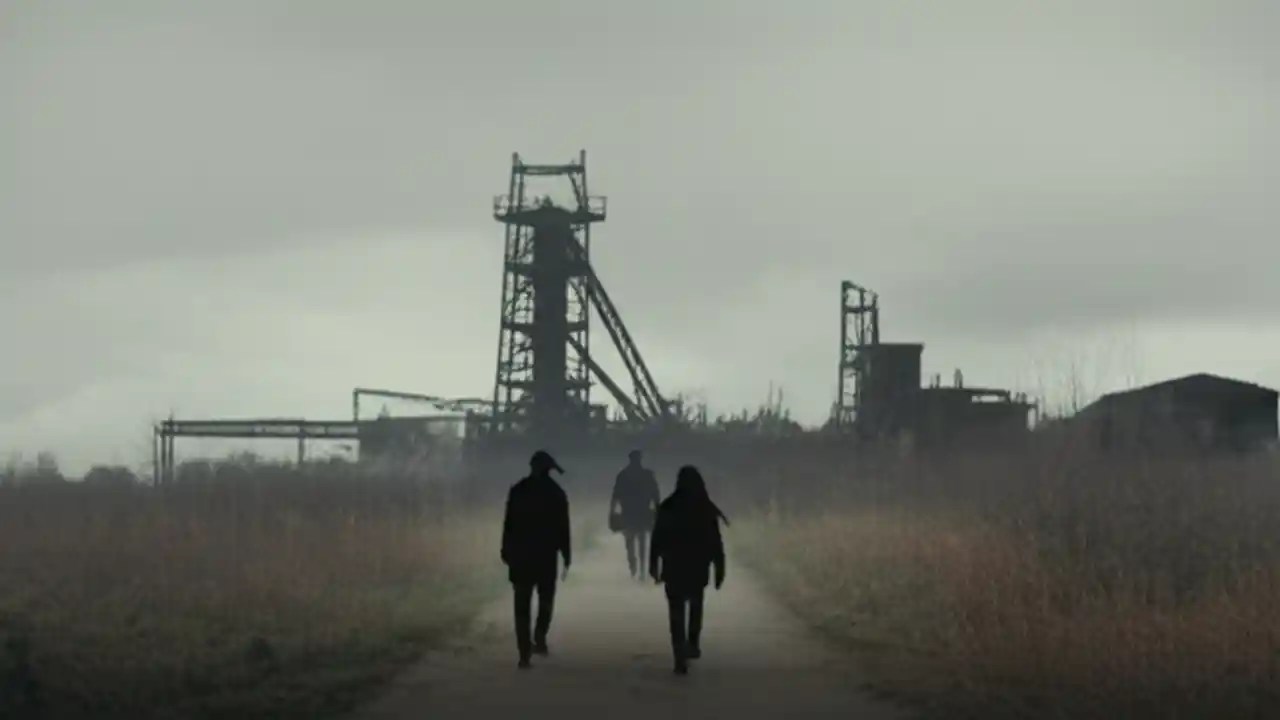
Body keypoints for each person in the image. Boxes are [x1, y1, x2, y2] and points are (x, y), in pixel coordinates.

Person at [648, 465, 727, 675]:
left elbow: (657, 540)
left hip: (674, 567)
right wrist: (720, 569)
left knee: (675, 612)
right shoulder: (706, 508)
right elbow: (716, 544)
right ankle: (692, 642)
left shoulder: (668, 506)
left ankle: (679, 654)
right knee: (695, 605)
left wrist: (653, 564)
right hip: (697, 568)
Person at [501, 450, 572, 669]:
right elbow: (563, 528)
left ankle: (524, 652)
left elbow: (509, 525)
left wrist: (506, 550)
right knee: (545, 600)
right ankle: (539, 636)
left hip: (521, 556)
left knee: (521, 605)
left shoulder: (518, 490)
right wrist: (566, 553)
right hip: (545, 557)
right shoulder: (556, 493)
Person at [609, 450, 661, 579]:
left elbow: (615, 496)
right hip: (640, 512)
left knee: (632, 541)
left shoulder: (623, 475)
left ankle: (636, 568)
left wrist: (612, 511)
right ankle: (639, 569)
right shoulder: (646, 475)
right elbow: (656, 495)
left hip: (630, 513)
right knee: (639, 541)